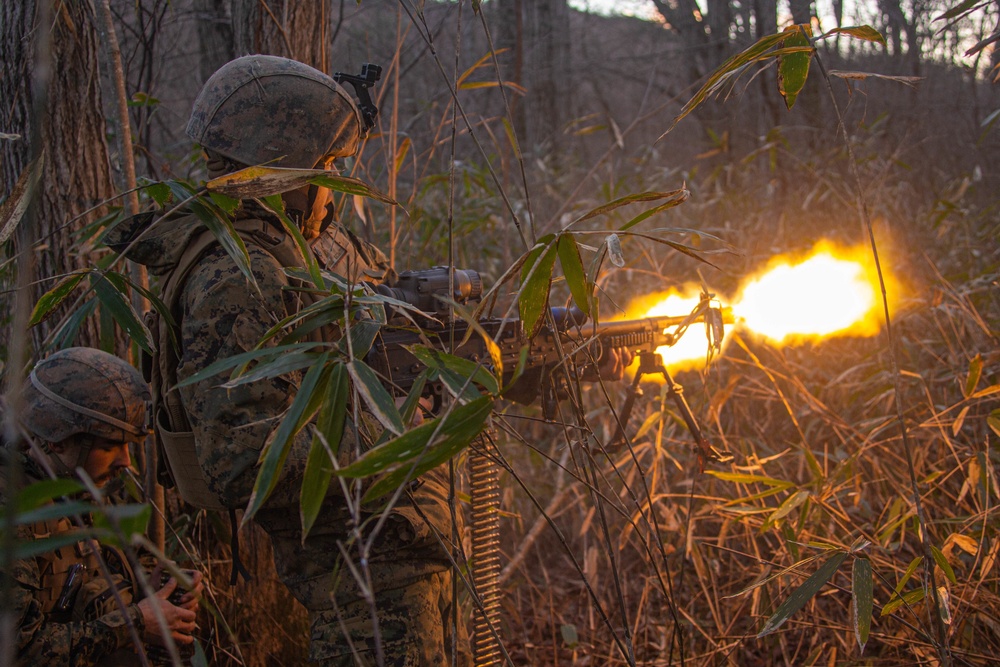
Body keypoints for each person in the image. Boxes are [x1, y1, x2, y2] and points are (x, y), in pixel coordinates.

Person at [108, 54, 632, 666]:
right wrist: (413, 418)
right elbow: (244, 464)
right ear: (284, 173)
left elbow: (417, 353)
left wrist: (530, 363)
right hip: (361, 582)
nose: (336, 186)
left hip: (412, 553)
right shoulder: (236, 277)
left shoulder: (309, 251)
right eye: (328, 167)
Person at [1, 346, 203, 666]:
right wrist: (136, 623)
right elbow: (18, 651)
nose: (126, 462)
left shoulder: (87, 482)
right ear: (57, 439)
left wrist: (161, 587)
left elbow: (130, 558)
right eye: (110, 447)